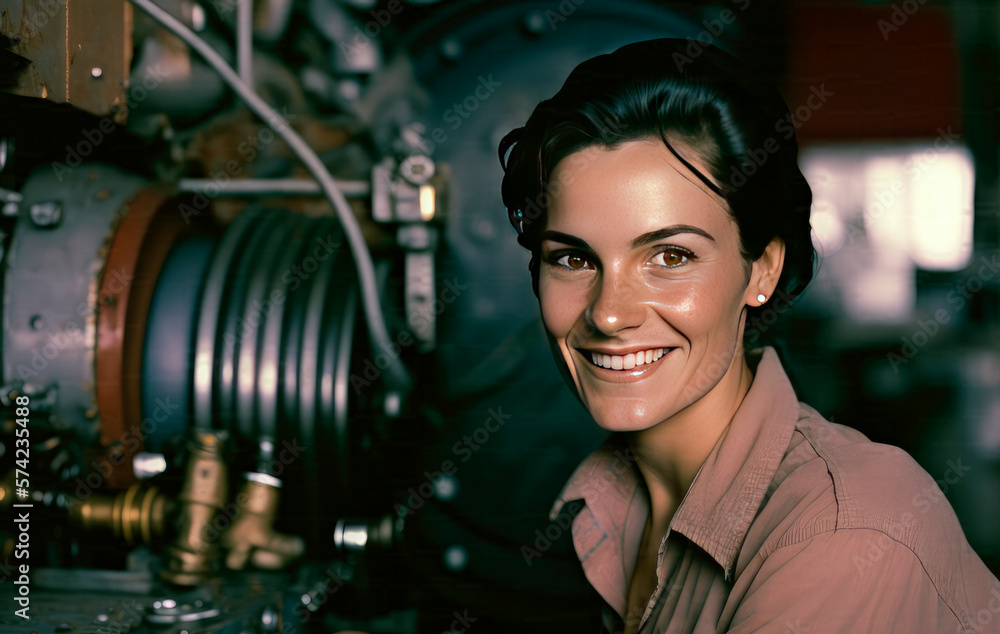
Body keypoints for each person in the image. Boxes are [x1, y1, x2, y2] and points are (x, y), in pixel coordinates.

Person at [498, 38, 1000, 634]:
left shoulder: (843, 531)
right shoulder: (615, 504)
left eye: (670, 255)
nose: (609, 314)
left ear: (761, 268)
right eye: (574, 260)